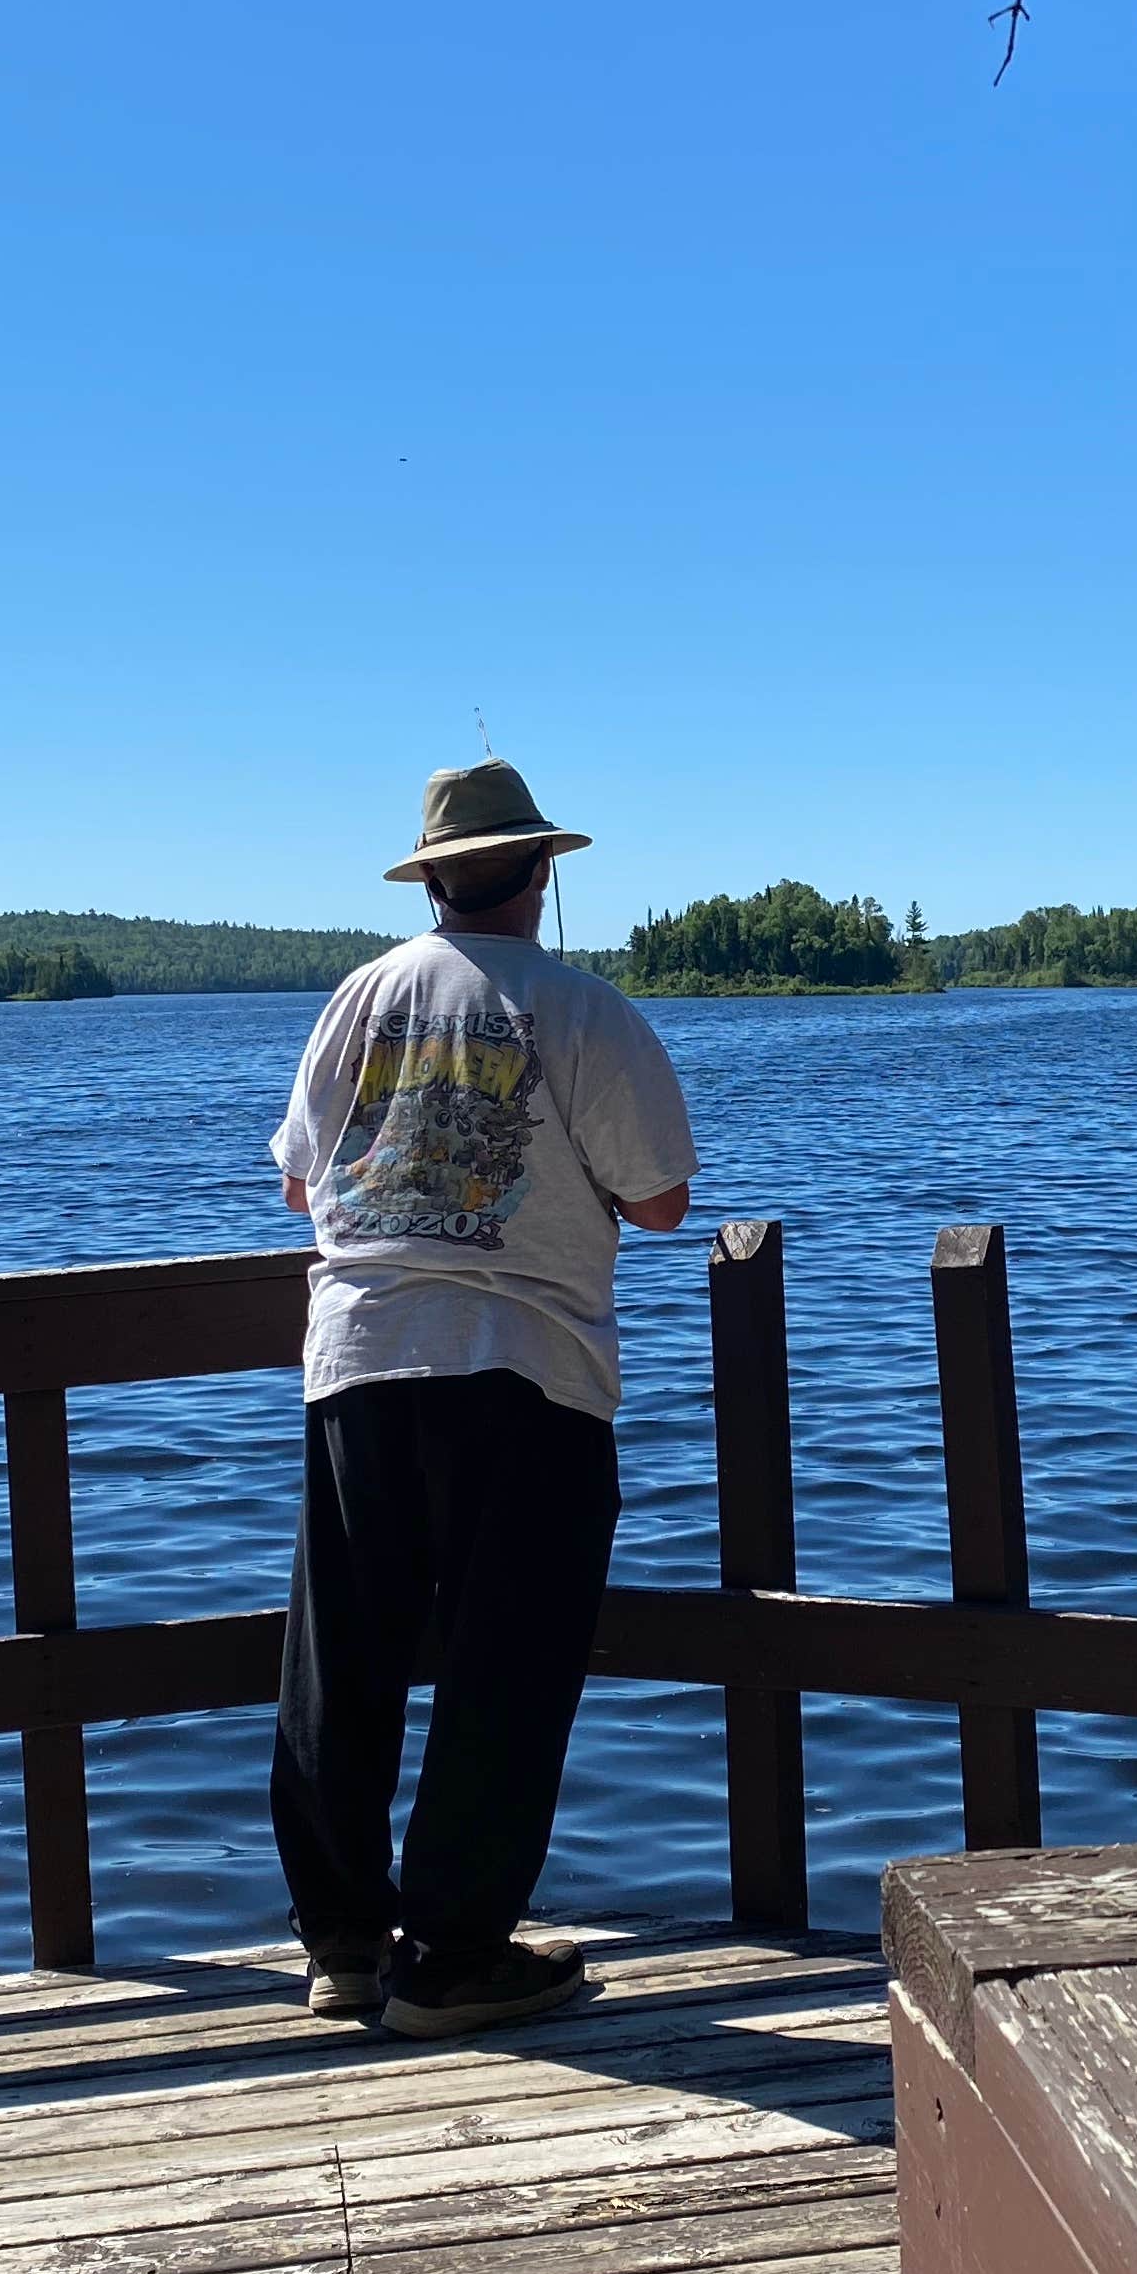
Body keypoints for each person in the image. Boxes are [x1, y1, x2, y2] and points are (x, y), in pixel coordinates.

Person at [267, 761, 694, 2041]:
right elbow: (664, 1200)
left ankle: (342, 1942)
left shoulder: (365, 994)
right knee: (507, 1666)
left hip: (360, 1356)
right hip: (527, 1366)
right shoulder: (582, 1008)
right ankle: (454, 1956)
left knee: (343, 1656)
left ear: (438, 879)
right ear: (543, 872)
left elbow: (301, 1185)